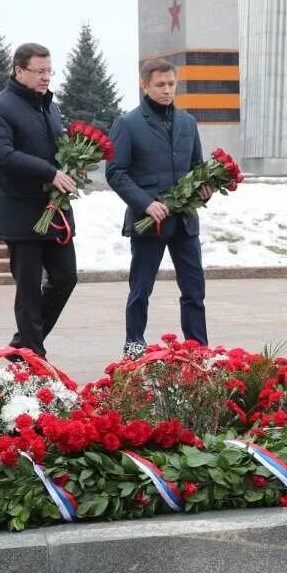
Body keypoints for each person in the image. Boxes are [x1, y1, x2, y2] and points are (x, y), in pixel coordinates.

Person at [107, 58, 213, 358]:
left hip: (185, 222)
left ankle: (198, 351)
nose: (167, 90)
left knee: (194, 291)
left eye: (171, 84)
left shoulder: (188, 123)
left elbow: (196, 167)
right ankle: (133, 350)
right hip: (148, 221)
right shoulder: (127, 124)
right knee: (140, 291)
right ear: (145, 85)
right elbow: (115, 172)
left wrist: (205, 188)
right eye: (160, 85)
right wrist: (146, 203)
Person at [0, 42, 77, 358]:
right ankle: (34, 357)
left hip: (53, 209)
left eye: (49, 71)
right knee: (29, 289)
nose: (46, 77)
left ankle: (23, 343)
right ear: (19, 70)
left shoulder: (49, 105)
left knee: (66, 278)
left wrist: (73, 161)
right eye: (39, 71)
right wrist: (49, 172)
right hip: (21, 213)